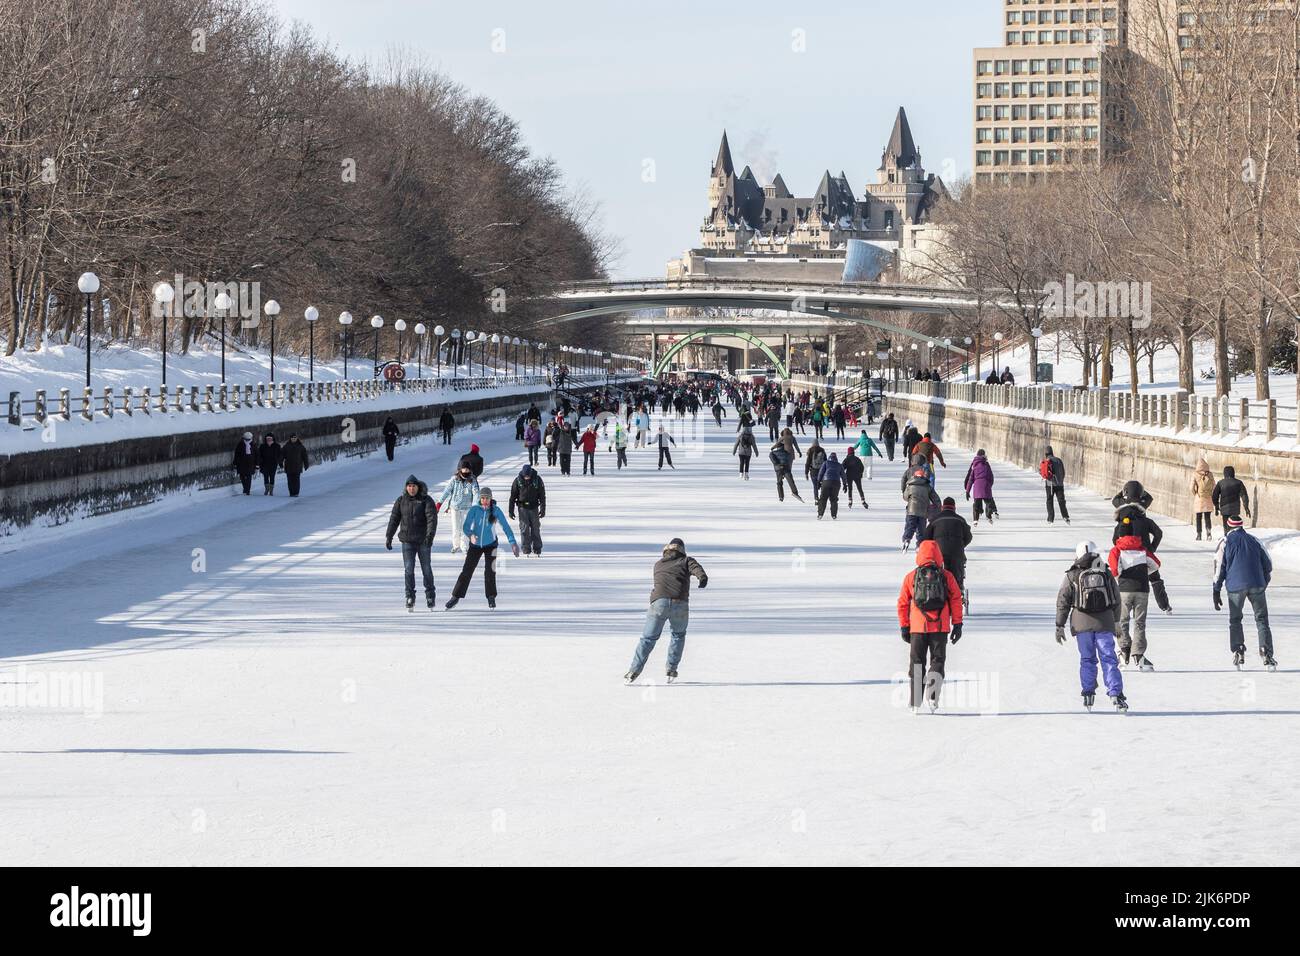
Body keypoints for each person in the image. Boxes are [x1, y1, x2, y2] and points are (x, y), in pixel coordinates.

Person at [1055, 541, 1127, 711]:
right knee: (1108, 658)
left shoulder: (1072, 574)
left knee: (1087, 659)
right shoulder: (1105, 572)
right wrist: (1116, 622)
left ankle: (1088, 692)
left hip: (1081, 623)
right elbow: (1117, 600)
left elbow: (1063, 601)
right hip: (1105, 621)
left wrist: (1060, 625)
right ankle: (1115, 692)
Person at [624, 537, 708, 684]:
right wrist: (702, 578)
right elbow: (697, 569)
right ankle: (671, 669)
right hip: (679, 603)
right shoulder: (686, 560)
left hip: (659, 603)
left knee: (648, 639)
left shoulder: (658, 564)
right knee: (678, 635)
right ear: (682, 550)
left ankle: (633, 671)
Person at [896, 540, 964, 713]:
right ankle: (932, 697)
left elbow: (903, 603)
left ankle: (915, 701)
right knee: (937, 661)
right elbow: (956, 599)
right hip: (940, 628)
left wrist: (905, 626)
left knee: (917, 662)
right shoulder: (946, 576)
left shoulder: (911, 576)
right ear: (938, 555)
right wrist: (957, 623)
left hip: (917, 628)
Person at [1214, 516, 1276, 670]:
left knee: (1235, 620)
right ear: (1241, 526)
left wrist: (1216, 590)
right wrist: (1263, 581)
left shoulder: (1225, 542)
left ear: (1228, 526)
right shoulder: (1254, 540)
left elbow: (1219, 567)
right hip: (1257, 584)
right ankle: (1266, 653)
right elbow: (1268, 564)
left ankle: (1238, 650)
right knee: (1262, 620)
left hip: (1235, 587)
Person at [445, 486, 519, 610]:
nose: (485, 500)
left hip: (491, 544)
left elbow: (506, 527)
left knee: (490, 571)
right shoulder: (474, 509)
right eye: (483, 498)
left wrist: (513, 543)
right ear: (480, 498)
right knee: (467, 570)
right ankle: (455, 596)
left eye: (487, 498)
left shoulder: (495, 510)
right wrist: (471, 535)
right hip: (475, 544)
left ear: (491, 499)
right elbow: (466, 526)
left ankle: (491, 597)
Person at [385, 475, 438, 610]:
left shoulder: (426, 500)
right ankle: (410, 596)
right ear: (406, 487)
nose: (411, 489)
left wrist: (429, 537)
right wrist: (389, 536)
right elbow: (394, 519)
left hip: (423, 541)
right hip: (407, 541)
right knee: (409, 569)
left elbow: (432, 519)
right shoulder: (401, 501)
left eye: (414, 486)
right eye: (409, 486)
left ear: (418, 487)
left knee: (426, 569)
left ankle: (430, 595)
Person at [1107, 532, 1159, 670]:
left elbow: (1114, 571)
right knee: (1139, 622)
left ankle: (1124, 650)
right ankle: (1139, 654)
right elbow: (1156, 564)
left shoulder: (1117, 550)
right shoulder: (1142, 550)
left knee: (1122, 620)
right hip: (1142, 589)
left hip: (1124, 590)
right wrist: (1143, 575)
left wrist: (1122, 578)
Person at [920, 498, 972, 597]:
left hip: (939, 553)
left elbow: (926, 538)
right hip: (956, 552)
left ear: (943, 507)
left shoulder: (935, 520)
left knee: (939, 571)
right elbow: (969, 537)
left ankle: (937, 590)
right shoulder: (960, 520)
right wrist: (961, 545)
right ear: (954, 508)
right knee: (956, 572)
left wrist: (933, 548)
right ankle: (958, 589)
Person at [437, 464, 480, 553]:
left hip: (467, 508)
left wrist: (475, 505)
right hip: (455, 507)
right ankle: (456, 545)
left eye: (467, 469)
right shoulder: (454, 479)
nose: (465, 471)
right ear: (460, 469)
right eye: (464, 469)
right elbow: (446, 491)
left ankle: (464, 546)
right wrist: (439, 503)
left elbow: (476, 493)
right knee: (456, 528)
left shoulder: (472, 480)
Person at [901, 455, 940, 551]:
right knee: (921, 529)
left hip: (911, 510)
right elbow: (935, 498)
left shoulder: (910, 485)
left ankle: (906, 539)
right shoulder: (927, 486)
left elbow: (905, 497)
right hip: (923, 511)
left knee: (910, 526)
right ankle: (919, 545)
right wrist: (939, 507)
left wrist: (908, 496)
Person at [508, 464, 546, 557]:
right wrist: (511, 510)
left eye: (528, 476)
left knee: (535, 528)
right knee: (524, 529)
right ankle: (526, 548)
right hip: (522, 508)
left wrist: (543, 509)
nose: (527, 478)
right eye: (525, 476)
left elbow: (542, 496)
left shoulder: (537, 480)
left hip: (534, 508)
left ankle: (537, 548)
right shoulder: (517, 481)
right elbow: (512, 497)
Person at [963, 449, 997, 525]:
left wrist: (967, 491)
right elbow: (991, 477)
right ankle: (988, 516)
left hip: (977, 487)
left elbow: (970, 479)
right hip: (986, 486)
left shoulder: (974, 465)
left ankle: (975, 519)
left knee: (976, 503)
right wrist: (989, 485)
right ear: (984, 455)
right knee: (988, 502)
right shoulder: (987, 465)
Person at [1212, 465, 1250, 532]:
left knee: (1226, 526)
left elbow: (1215, 496)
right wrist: (1246, 507)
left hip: (1224, 509)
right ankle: (1235, 539)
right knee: (1235, 526)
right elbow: (1244, 496)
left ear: (1224, 473)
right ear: (1233, 473)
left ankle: (1227, 537)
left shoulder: (1220, 483)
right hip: (1235, 509)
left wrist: (1216, 506)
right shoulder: (1239, 483)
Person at [1040, 445, 1070, 524]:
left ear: (1046, 453)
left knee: (1049, 501)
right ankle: (1065, 516)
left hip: (1049, 484)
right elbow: (1063, 472)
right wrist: (1060, 480)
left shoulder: (1046, 461)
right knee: (1061, 501)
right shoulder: (1059, 460)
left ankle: (1050, 519)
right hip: (1059, 484)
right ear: (1052, 452)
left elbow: (1042, 472)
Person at [1190, 457, 1215, 541]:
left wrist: (1195, 494)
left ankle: (1199, 534)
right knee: (1207, 516)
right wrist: (1210, 494)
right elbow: (1214, 486)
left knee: (1198, 517)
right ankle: (1209, 533)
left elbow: (1191, 488)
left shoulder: (1195, 474)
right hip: (1208, 498)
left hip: (1199, 498)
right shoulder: (1210, 474)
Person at [815, 451, 844, 519]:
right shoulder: (839, 465)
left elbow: (821, 472)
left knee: (823, 498)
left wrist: (818, 482)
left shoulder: (826, 463)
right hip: (836, 483)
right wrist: (845, 484)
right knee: (834, 499)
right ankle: (834, 515)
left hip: (826, 482)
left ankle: (820, 514)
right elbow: (843, 475)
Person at [280, 433, 309, 497]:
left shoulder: (301, 446)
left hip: (297, 466)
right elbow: (282, 455)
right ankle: (291, 493)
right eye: (292, 438)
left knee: (296, 481)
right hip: (288, 467)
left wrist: (306, 464)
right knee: (290, 481)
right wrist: (280, 463)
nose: (293, 439)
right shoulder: (286, 446)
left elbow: (305, 456)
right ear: (290, 438)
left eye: (295, 438)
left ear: (297, 438)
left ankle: (296, 493)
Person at [232, 430, 257, 495]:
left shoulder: (253, 444)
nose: (247, 440)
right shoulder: (240, 444)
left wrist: (257, 464)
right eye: (246, 439)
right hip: (241, 463)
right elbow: (236, 454)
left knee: (249, 477)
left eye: (249, 439)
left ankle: (247, 490)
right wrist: (235, 463)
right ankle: (245, 488)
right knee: (242, 476)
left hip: (250, 463)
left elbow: (257, 454)